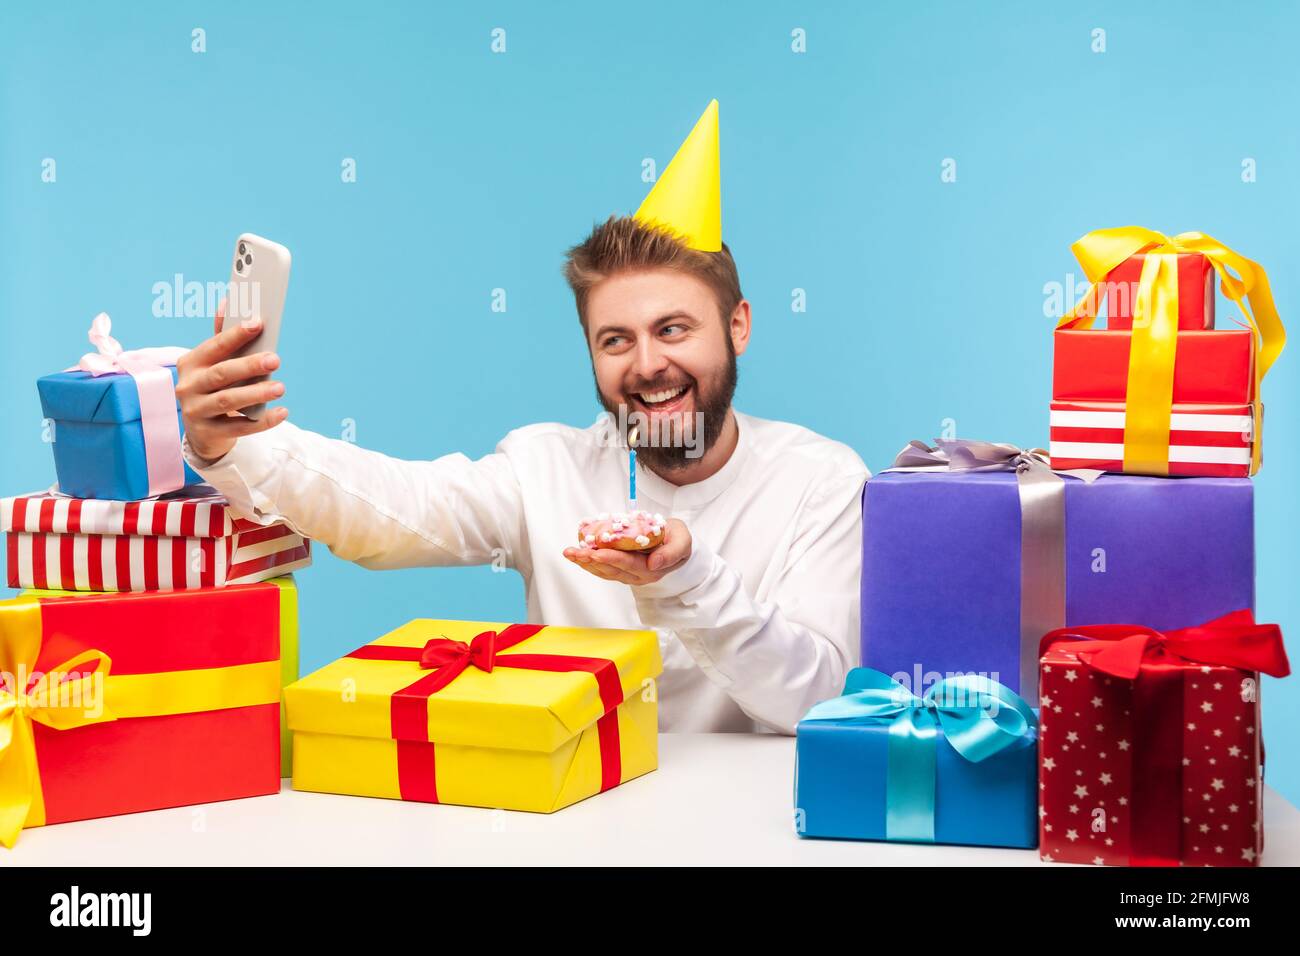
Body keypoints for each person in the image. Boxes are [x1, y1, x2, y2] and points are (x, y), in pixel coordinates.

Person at [176, 101, 868, 734]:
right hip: (577, 810)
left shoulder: (821, 481)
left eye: (673, 329)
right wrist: (234, 441)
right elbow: (393, 509)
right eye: (616, 340)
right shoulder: (546, 469)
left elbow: (821, 701)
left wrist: (688, 576)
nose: (648, 364)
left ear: (737, 326)